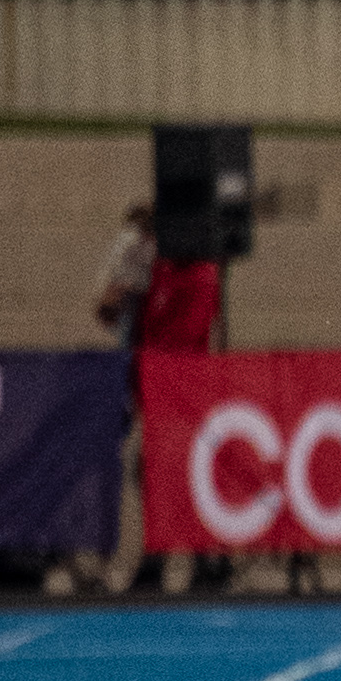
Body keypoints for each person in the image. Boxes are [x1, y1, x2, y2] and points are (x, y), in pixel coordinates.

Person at [97, 197, 224, 598]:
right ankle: (165, 561)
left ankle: (194, 561)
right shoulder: (158, 273)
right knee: (151, 472)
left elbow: (180, 342)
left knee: (173, 474)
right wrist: (118, 299)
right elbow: (131, 326)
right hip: (153, 390)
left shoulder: (200, 276)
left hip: (181, 393)